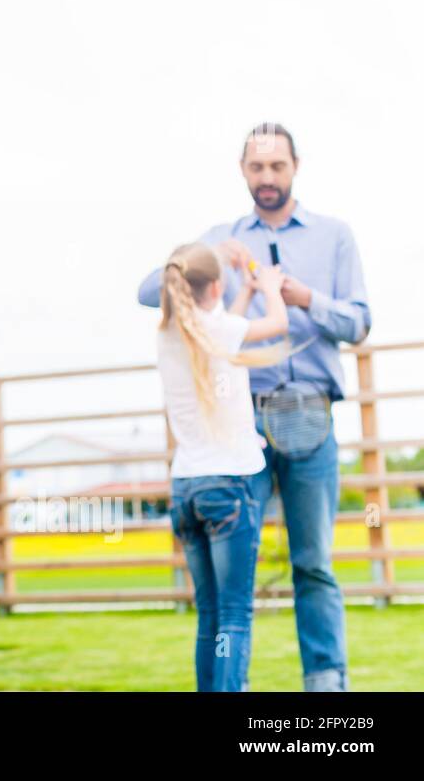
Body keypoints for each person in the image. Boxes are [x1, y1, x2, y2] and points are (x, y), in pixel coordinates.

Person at [138, 122, 371, 691]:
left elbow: (359, 322)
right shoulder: (221, 236)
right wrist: (213, 256)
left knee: (313, 561)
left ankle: (325, 683)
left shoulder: (334, 236)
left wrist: (302, 297)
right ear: (243, 171)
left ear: (295, 168)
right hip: (237, 430)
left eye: (278, 167)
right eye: (256, 167)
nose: (267, 178)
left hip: (309, 414)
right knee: (230, 582)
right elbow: (151, 291)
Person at [157, 242, 291, 691]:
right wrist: (269, 287)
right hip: (229, 487)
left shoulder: (170, 333)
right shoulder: (218, 330)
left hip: (186, 489)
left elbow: (216, 335)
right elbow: (279, 325)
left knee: (210, 616)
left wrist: (245, 294)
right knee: (235, 616)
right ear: (215, 285)